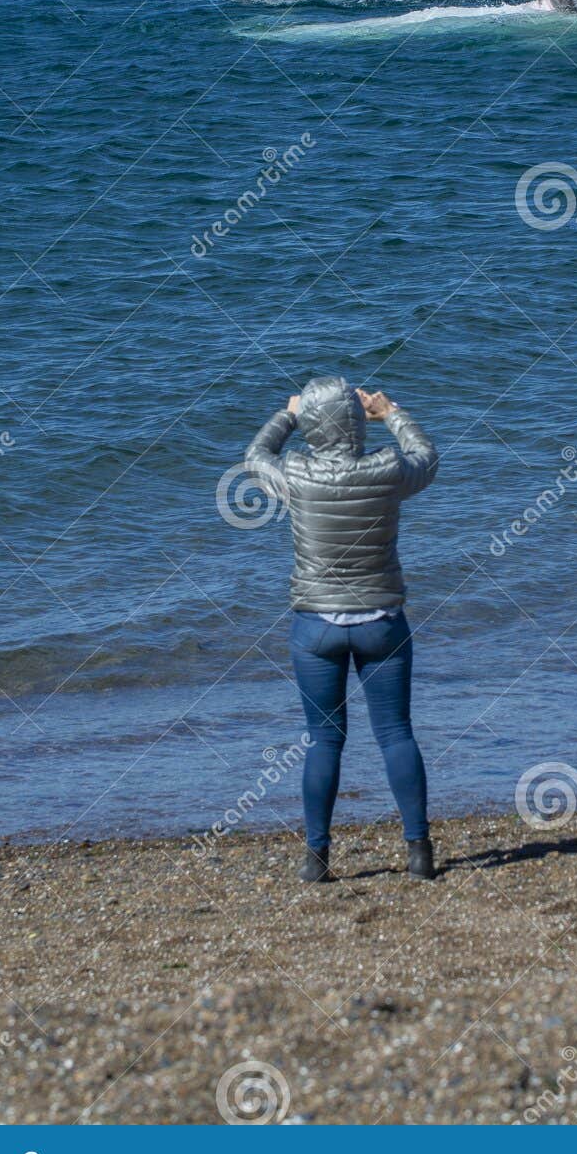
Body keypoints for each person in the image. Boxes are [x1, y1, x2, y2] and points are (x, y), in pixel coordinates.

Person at [245, 376, 439, 883]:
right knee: (396, 734)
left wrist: (286, 416)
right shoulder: (387, 469)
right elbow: (427, 456)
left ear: (311, 424)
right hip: (382, 624)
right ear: (356, 421)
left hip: (316, 629)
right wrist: (391, 411)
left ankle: (317, 860)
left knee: (324, 741)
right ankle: (419, 854)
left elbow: (254, 457)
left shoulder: (296, 473)